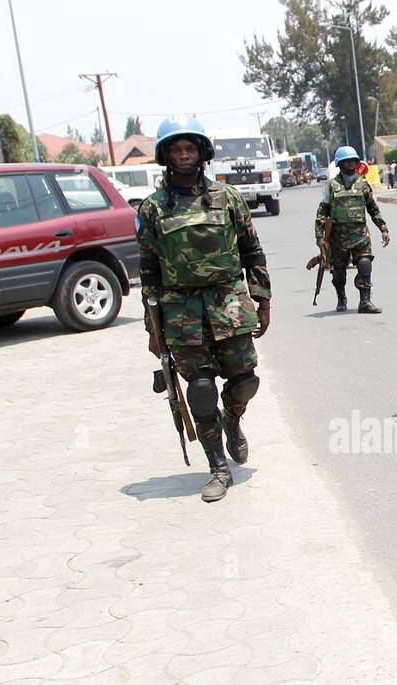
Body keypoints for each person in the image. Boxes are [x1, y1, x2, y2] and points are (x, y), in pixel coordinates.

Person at [137, 116, 271, 502]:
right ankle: (217, 467)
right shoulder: (152, 209)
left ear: (202, 153)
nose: (183, 155)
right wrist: (153, 326)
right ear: (165, 155)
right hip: (179, 310)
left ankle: (233, 418)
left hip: (228, 303)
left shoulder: (228, 199)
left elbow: (252, 250)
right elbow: (148, 268)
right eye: (176, 149)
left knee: (246, 380)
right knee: (199, 390)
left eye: (190, 148)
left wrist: (262, 298)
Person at [316, 145, 390, 313]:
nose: (351, 164)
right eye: (347, 161)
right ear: (340, 164)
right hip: (337, 236)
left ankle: (365, 301)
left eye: (353, 161)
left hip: (360, 235)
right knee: (339, 273)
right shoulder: (331, 185)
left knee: (365, 264)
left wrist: (383, 228)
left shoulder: (363, 185)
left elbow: (373, 208)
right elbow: (322, 211)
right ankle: (341, 297)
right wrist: (319, 236)